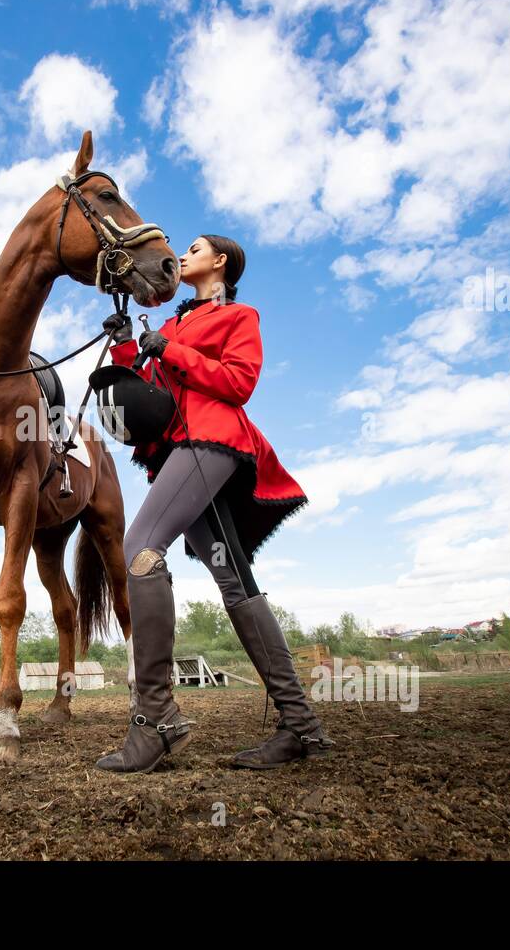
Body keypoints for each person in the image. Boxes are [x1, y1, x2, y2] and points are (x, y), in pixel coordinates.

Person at [95, 234, 333, 774]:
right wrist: (128, 346)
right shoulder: (175, 324)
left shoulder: (240, 316)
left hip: (212, 442)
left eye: (195, 248)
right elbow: (154, 389)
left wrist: (170, 351)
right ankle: (300, 725)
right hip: (181, 451)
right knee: (235, 582)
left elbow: (239, 382)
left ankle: (155, 720)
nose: (183, 254)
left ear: (220, 262)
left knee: (140, 547)